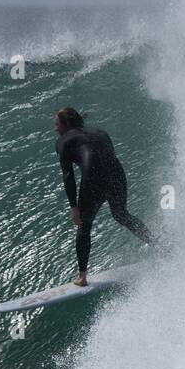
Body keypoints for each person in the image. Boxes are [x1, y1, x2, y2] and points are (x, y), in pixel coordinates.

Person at [54, 106, 156, 285]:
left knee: (84, 227)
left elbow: (68, 175)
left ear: (66, 124)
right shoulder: (100, 132)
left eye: (57, 124)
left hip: (94, 180)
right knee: (121, 214)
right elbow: (107, 157)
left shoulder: (64, 141)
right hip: (117, 175)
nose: (56, 128)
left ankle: (82, 277)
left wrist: (74, 207)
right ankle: (159, 245)